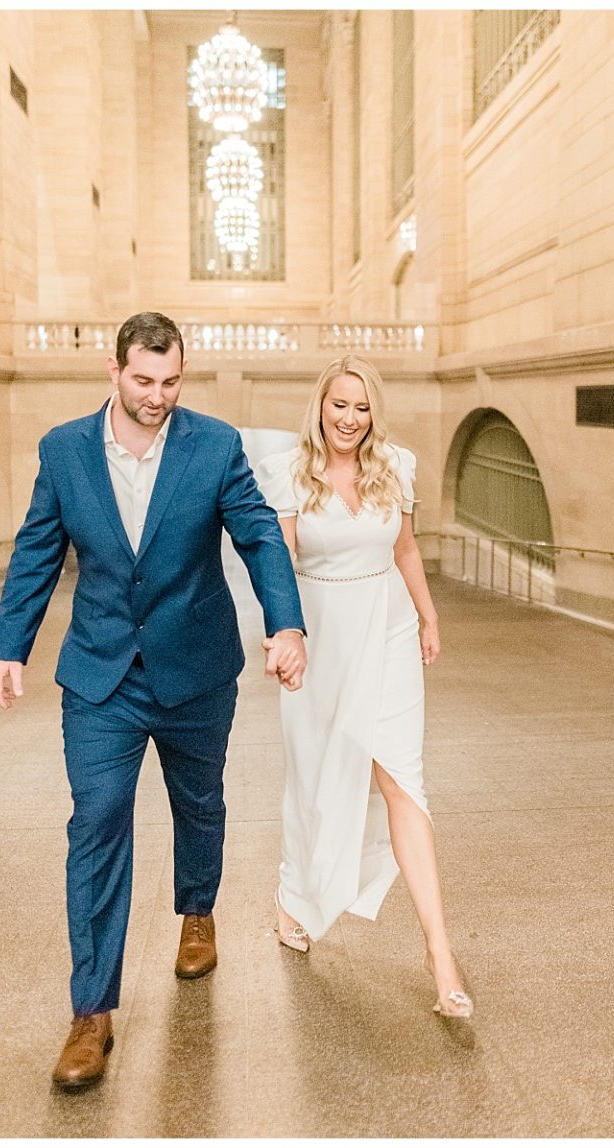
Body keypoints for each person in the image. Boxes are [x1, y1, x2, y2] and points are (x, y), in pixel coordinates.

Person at [0, 311, 307, 1091]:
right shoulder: (64, 451)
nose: (158, 396)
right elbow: (36, 548)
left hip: (195, 668)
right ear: (113, 368)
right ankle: (90, 1014)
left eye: (170, 382)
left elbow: (259, 533)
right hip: (100, 676)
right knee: (96, 820)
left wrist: (285, 622)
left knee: (200, 802)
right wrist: (7, 645)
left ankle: (198, 912)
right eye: (143, 380)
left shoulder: (215, 445)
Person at [254, 355, 472, 1019]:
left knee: (403, 781)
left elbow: (404, 549)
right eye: (339, 404)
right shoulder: (288, 471)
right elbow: (278, 557)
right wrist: (282, 632)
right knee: (318, 782)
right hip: (319, 639)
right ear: (320, 405)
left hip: (388, 630)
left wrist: (429, 616)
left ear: (375, 413)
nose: (349, 419)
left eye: (362, 407)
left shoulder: (395, 465)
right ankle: (296, 899)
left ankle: (441, 956)